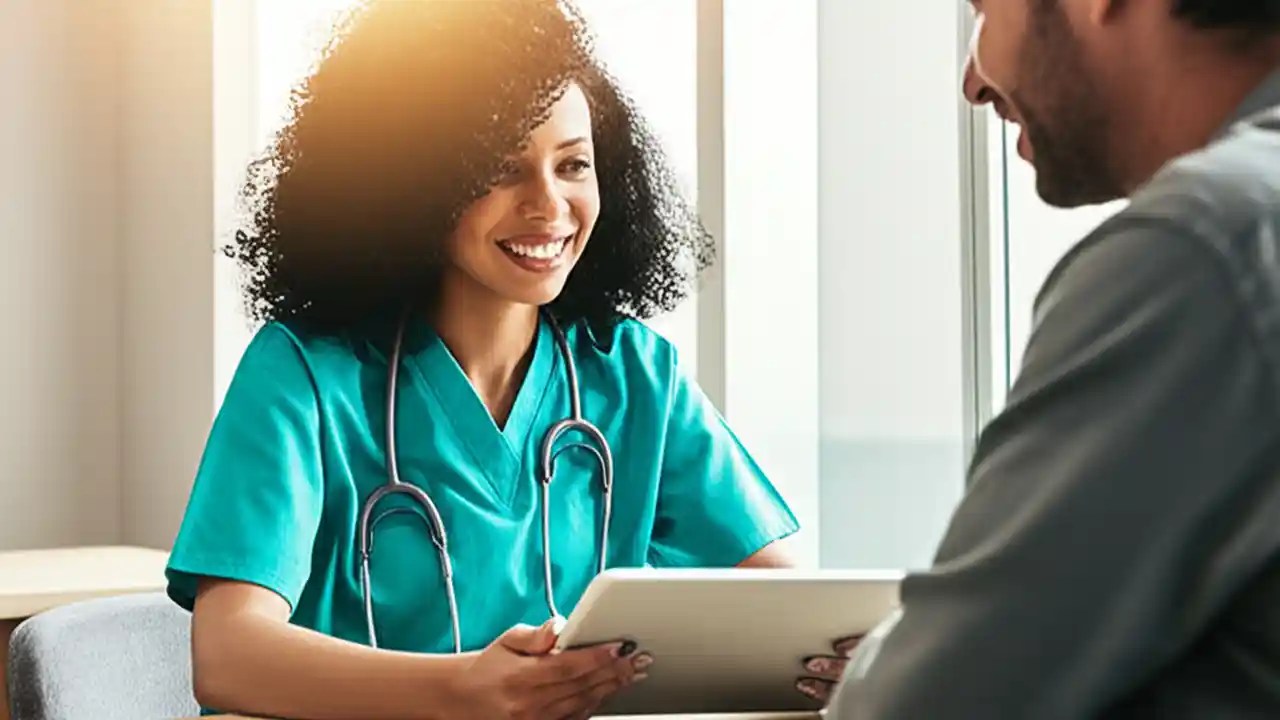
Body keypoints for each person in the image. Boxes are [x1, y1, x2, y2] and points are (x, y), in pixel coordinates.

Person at [163, 2, 849, 718]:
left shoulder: (634, 375)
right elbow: (229, 654)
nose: (549, 206)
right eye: (501, 170)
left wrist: (849, 657)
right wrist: (467, 690)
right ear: (410, 180)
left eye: (573, 165)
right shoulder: (303, 375)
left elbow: (793, 613)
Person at [826, 0, 1280, 718]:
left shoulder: (1204, 244)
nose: (973, 81)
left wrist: (907, 650)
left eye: (983, 10)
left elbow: (926, 706)